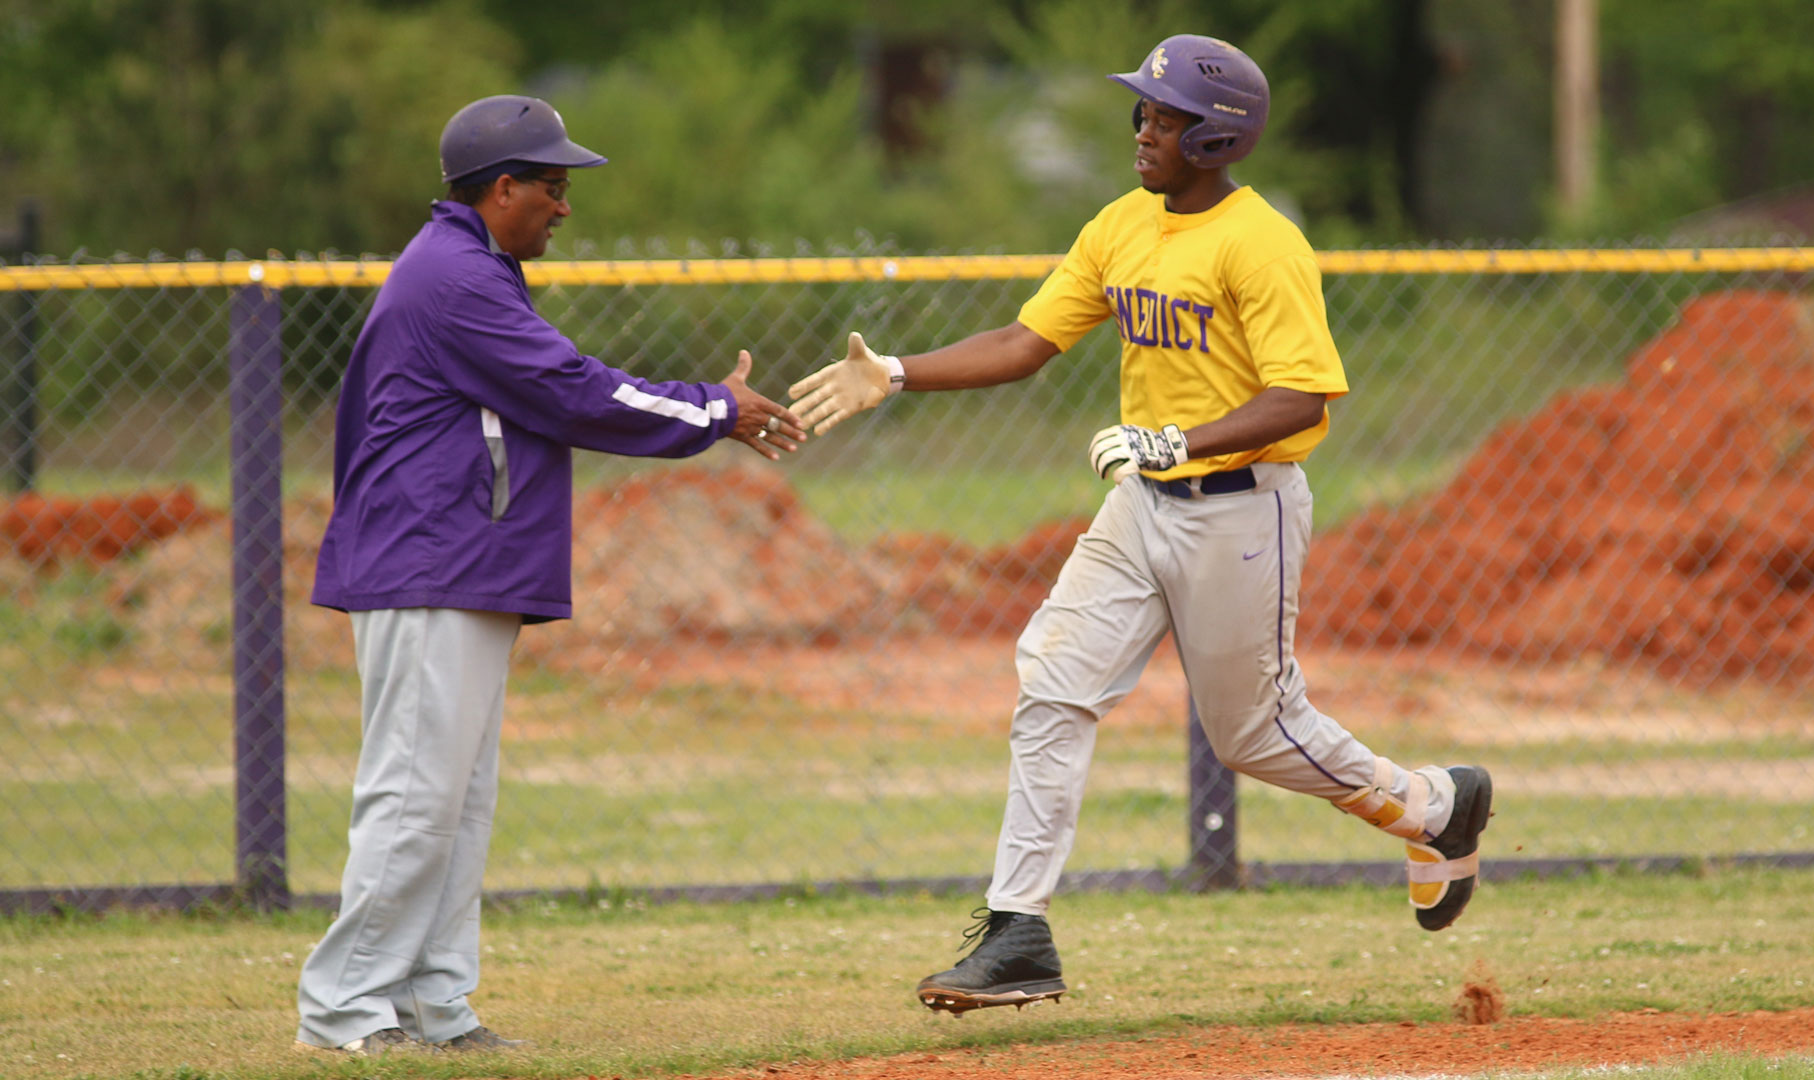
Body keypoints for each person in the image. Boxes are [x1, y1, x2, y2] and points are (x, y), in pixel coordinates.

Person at [790, 35, 1492, 1015]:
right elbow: (1024, 341)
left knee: (1252, 735)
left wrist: (1178, 440)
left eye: (1166, 118)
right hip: (1142, 505)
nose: (1144, 131)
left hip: (1242, 509)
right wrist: (897, 372)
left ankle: (1435, 805)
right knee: (1052, 679)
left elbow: (1303, 394)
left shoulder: (1262, 242)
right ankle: (1017, 931)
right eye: (1143, 112)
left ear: (1217, 138)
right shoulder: (1122, 224)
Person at [296, 94, 804, 1056]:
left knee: (455, 803)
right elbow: (575, 390)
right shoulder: (456, 277)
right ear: (501, 190)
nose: (563, 207)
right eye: (552, 186)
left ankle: (431, 1006)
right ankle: (344, 1012)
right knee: (415, 797)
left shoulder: (471, 266)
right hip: (428, 563)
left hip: (460, 562)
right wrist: (712, 411)